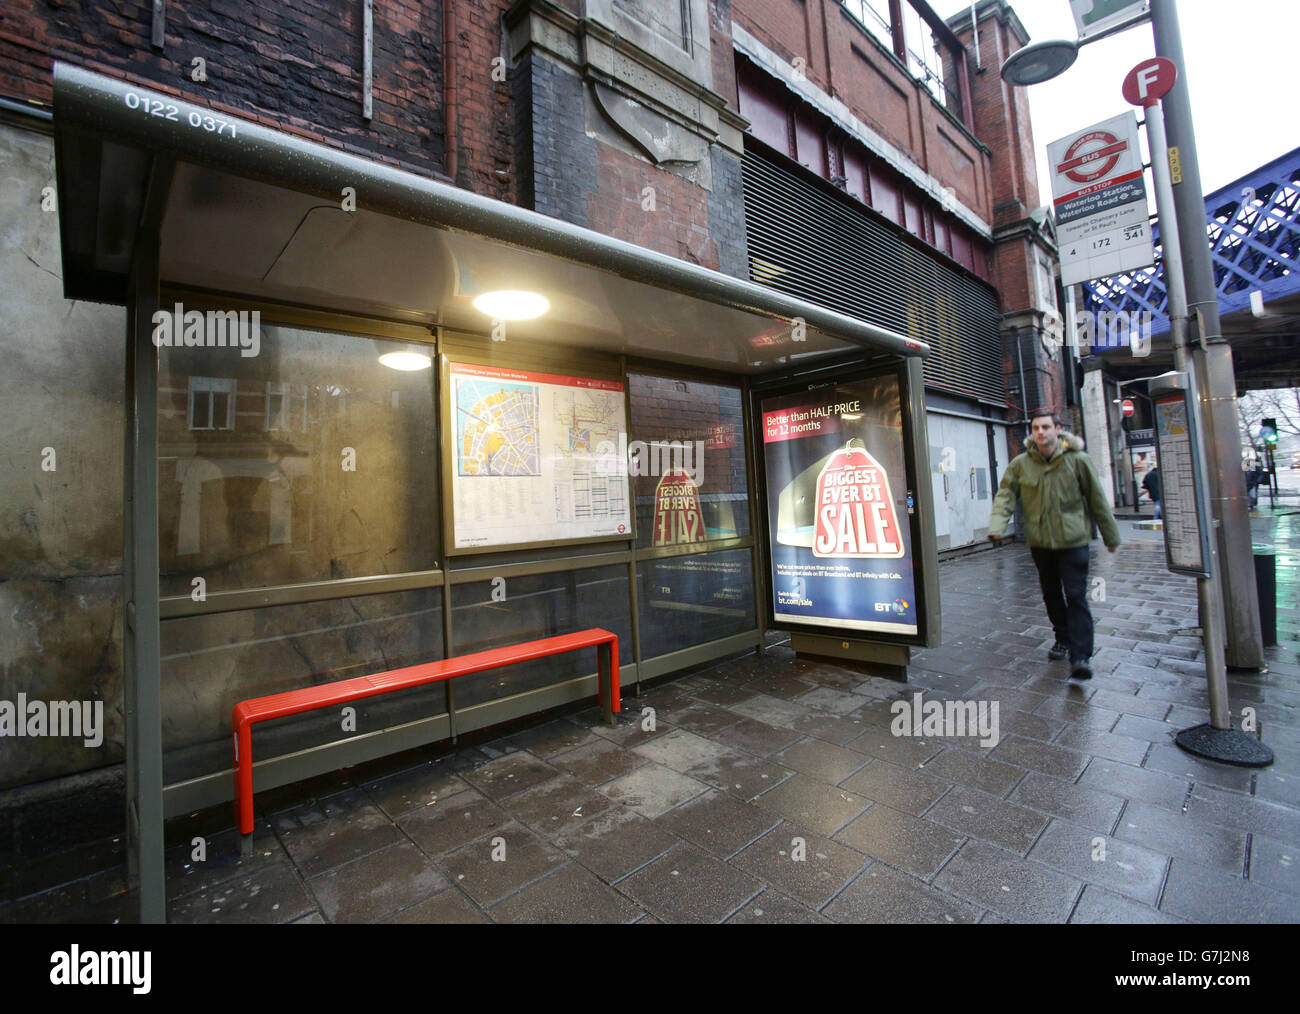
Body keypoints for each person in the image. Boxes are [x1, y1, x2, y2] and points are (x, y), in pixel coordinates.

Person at [988, 410, 1121, 679]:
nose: (1041, 432)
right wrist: (997, 527)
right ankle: (1062, 638)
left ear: (1057, 429)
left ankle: (1081, 656)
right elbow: (1005, 496)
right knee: (1050, 593)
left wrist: (1110, 537)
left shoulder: (1078, 461)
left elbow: (1097, 499)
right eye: (1036, 427)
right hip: (1040, 543)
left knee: (1075, 595)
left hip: (1073, 541)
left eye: (1046, 427)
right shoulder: (1021, 464)